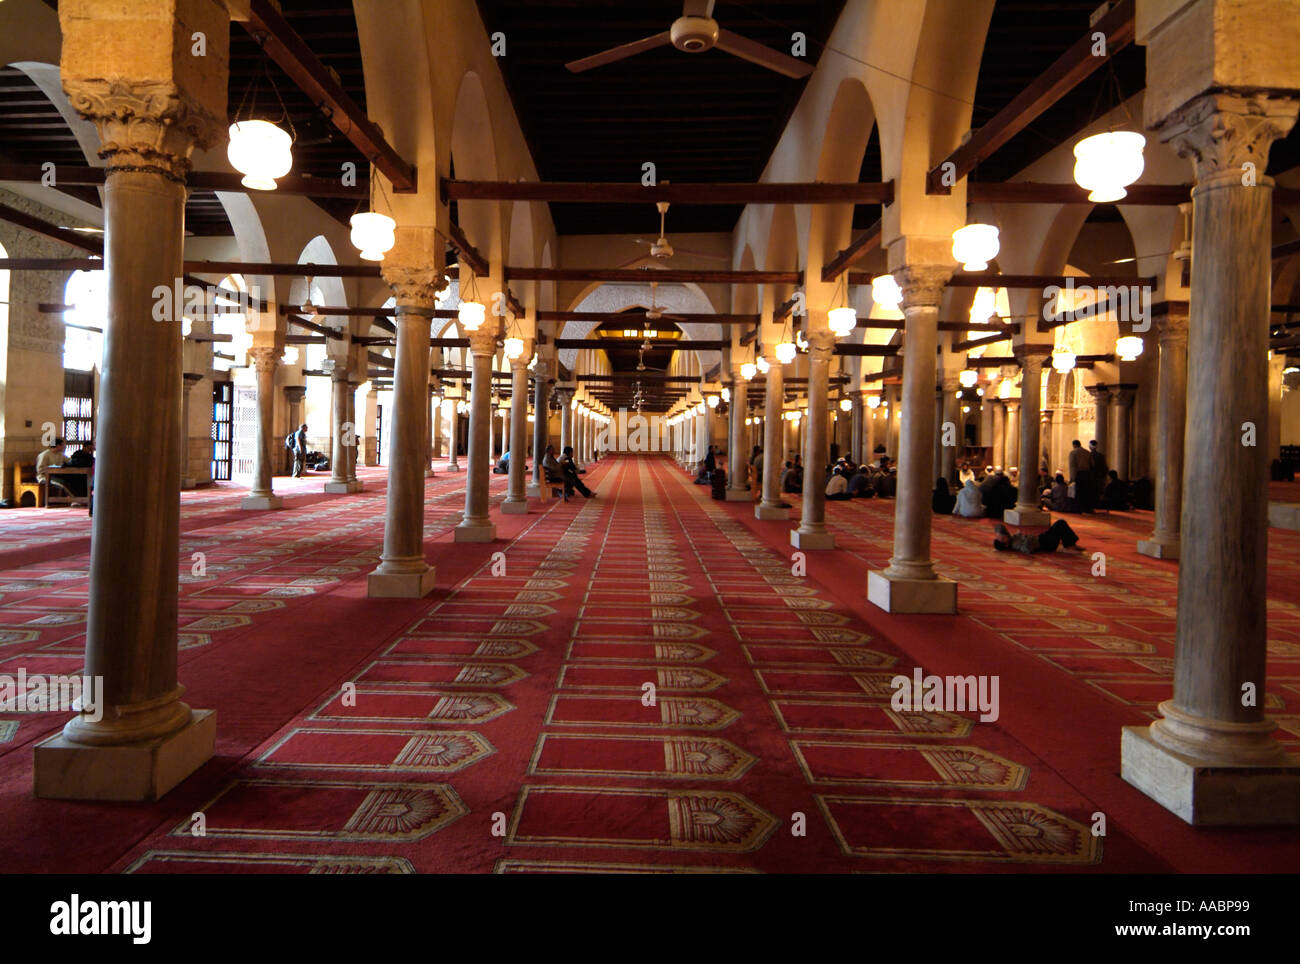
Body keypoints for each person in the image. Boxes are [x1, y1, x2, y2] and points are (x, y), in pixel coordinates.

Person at [993, 520, 1084, 554]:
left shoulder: (1011, 539)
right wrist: (1025, 538)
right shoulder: (1015, 544)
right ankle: (1068, 546)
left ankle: (1070, 544)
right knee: (1060, 524)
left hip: (1042, 538)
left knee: (1060, 524)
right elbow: (1027, 549)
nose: (1004, 535)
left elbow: (1000, 527)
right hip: (1045, 544)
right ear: (1005, 544)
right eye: (1002, 538)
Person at [1068, 439, 1094, 513]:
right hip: (1087, 474)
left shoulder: (1073, 453)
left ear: (1074, 445)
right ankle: (1086, 508)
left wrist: (1072, 478)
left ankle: (1078, 508)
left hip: (1078, 474)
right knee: (1086, 492)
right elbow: (1092, 465)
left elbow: (1072, 466)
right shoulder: (1087, 452)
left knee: (1078, 492)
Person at [1089, 440, 1109, 505]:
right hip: (1100, 477)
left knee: (1092, 491)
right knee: (1098, 491)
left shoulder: (1088, 455)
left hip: (1091, 477)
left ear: (1089, 446)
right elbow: (1105, 467)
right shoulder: (1101, 456)